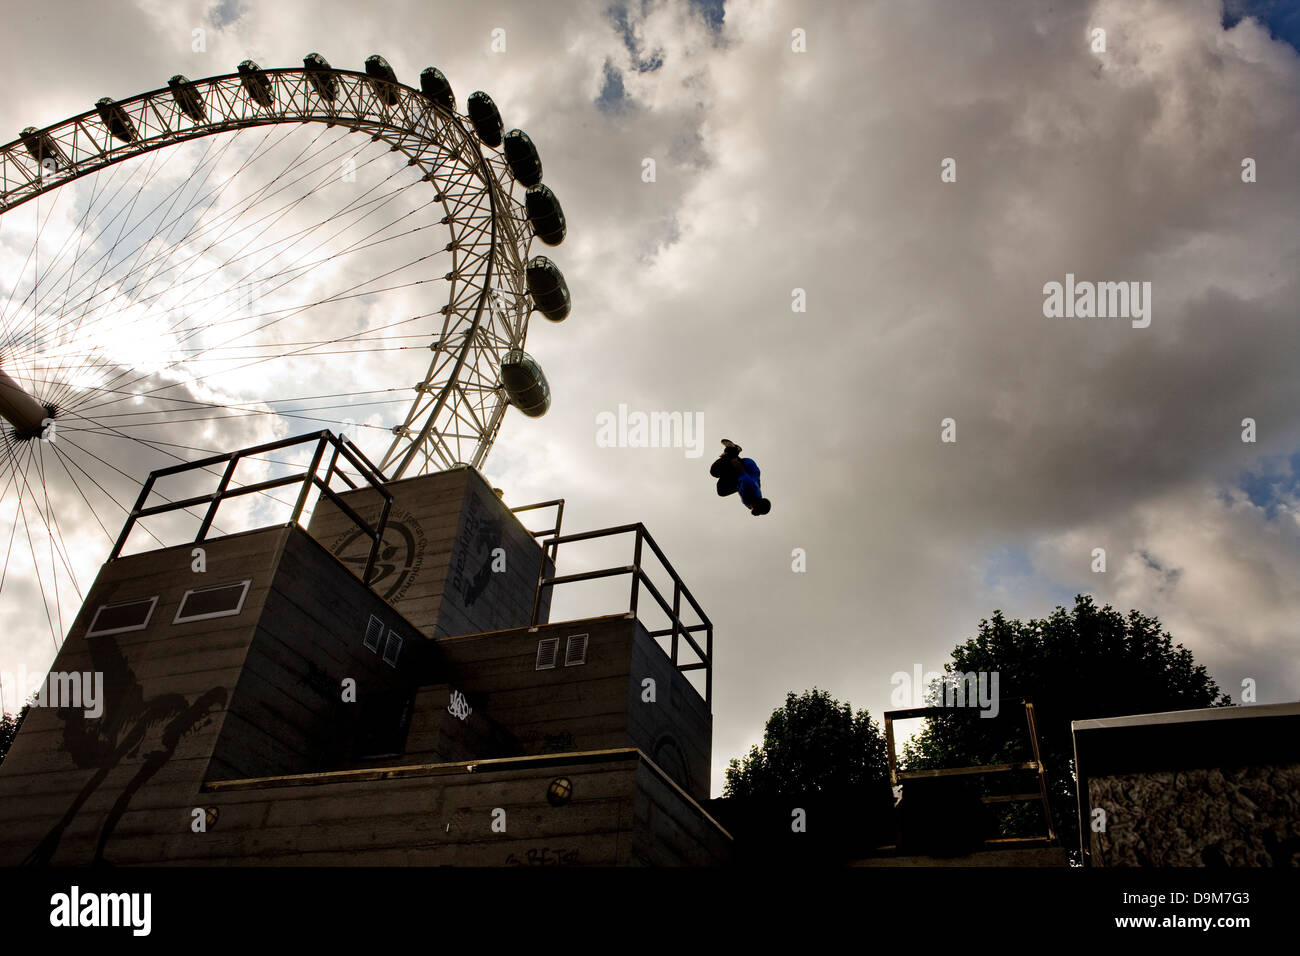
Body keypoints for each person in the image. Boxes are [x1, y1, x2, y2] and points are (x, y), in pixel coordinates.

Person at [709, 439, 771, 516]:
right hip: (745, 466)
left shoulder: (750, 503)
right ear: (757, 502)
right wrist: (730, 457)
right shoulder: (750, 488)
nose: (752, 508)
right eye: (754, 507)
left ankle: (733, 453)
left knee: (721, 491)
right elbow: (739, 468)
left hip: (744, 475)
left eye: (754, 509)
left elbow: (754, 507)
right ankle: (733, 450)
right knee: (714, 471)